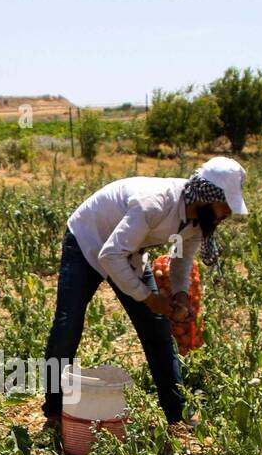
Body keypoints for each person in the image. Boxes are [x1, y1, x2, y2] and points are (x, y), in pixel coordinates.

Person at [42, 156, 248, 428]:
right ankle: (55, 409)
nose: (227, 213)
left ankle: (178, 416)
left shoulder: (199, 222)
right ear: (209, 196)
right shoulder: (154, 203)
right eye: (226, 205)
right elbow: (110, 255)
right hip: (88, 240)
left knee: (158, 333)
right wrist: (148, 298)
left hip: (128, 251)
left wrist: (181, 294)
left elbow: (181, 259)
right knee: (67, 326)